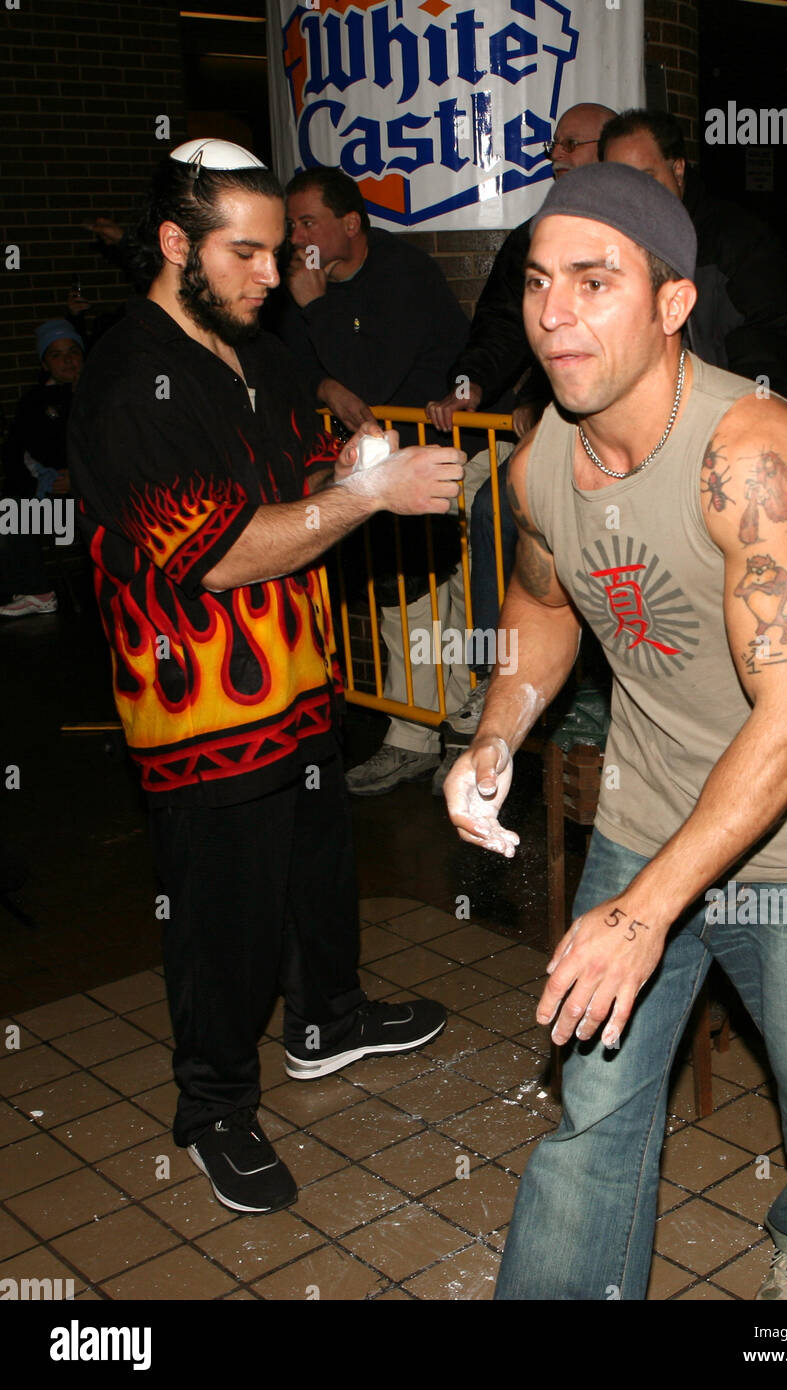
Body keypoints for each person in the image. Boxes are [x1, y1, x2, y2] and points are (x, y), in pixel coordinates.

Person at [444, 162, 787, 1300]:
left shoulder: (754, 453)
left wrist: (644, 916)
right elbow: (542, 605)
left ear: (674, 302)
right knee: (592, 1107)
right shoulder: (547, 449)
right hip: (646, 814)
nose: (554, 312)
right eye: (541, 281)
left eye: (595, 282)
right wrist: (497, 733)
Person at [69, 138, 464, 1216]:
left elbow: (296, 475)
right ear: (172, 243)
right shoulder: (128, 378)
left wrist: (352, 467)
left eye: (277, 249)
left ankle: (326, 1019)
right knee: (221, 914)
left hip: (292, 684)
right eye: (243, 252)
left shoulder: (258, 346)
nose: (271, 274)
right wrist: (370, 500)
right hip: (196, 703)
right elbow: (226, 550)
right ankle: (211, 1108)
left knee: (312, 869)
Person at [272, 166, 476, 794]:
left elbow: (375, 376)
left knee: (461, 596)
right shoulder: (309, 286)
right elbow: (289, 365)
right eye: (292, 224)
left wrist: (316, 308)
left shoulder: (401, 273)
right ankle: (412, 732)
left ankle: (467, 733)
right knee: (403, 596)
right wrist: (323, 385)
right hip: (383, 466)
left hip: (451, 456)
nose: (295, 237)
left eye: (307, 222)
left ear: (351, 225)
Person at [426, 104, 618, 751]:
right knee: (493, 509)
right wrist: (474, 382)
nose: (556, 154)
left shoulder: (643, 231)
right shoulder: (535, 232)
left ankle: (613, 693)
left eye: (571, 142)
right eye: (552, 143)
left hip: (641, 437)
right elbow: (505, 322)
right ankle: (498, 678)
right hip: (565, 426)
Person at [600, 108, 787, 402]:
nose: (633, 194)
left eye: (646, 178)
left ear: (678, 170)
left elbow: (767, 349)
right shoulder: (604, 245)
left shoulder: (736, 241)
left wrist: (746, 418)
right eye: (619, 182)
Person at [0, 319, 82, 617]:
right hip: (54, 499)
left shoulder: (101, 393)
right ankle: (36, 591)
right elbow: (15, 452)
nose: (67, 360)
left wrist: (79, 480)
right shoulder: (35, 402)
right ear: (45, 363)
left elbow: (116, 448)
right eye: (56, 355)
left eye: (73, 351)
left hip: (99, 497)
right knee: (11, 509)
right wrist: (38, 487)